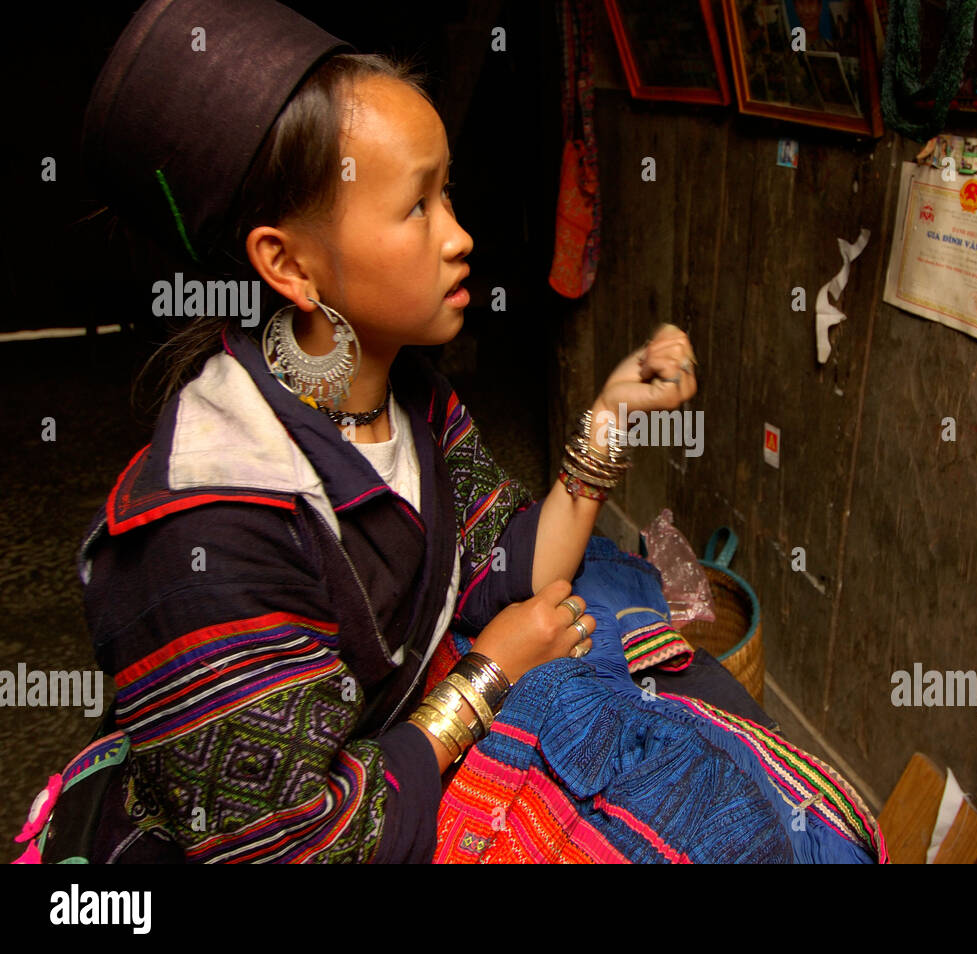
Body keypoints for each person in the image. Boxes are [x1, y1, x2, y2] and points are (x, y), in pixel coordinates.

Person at [65, 0, 883, 864]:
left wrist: (608, 415)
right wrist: (484, 678)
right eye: (416, 206)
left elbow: (512, 565)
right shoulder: (211, 525)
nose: (460, 236)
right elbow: (298, 847)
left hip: (402, 745)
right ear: (291, 265)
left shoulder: (407, 393)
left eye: (444, 189)